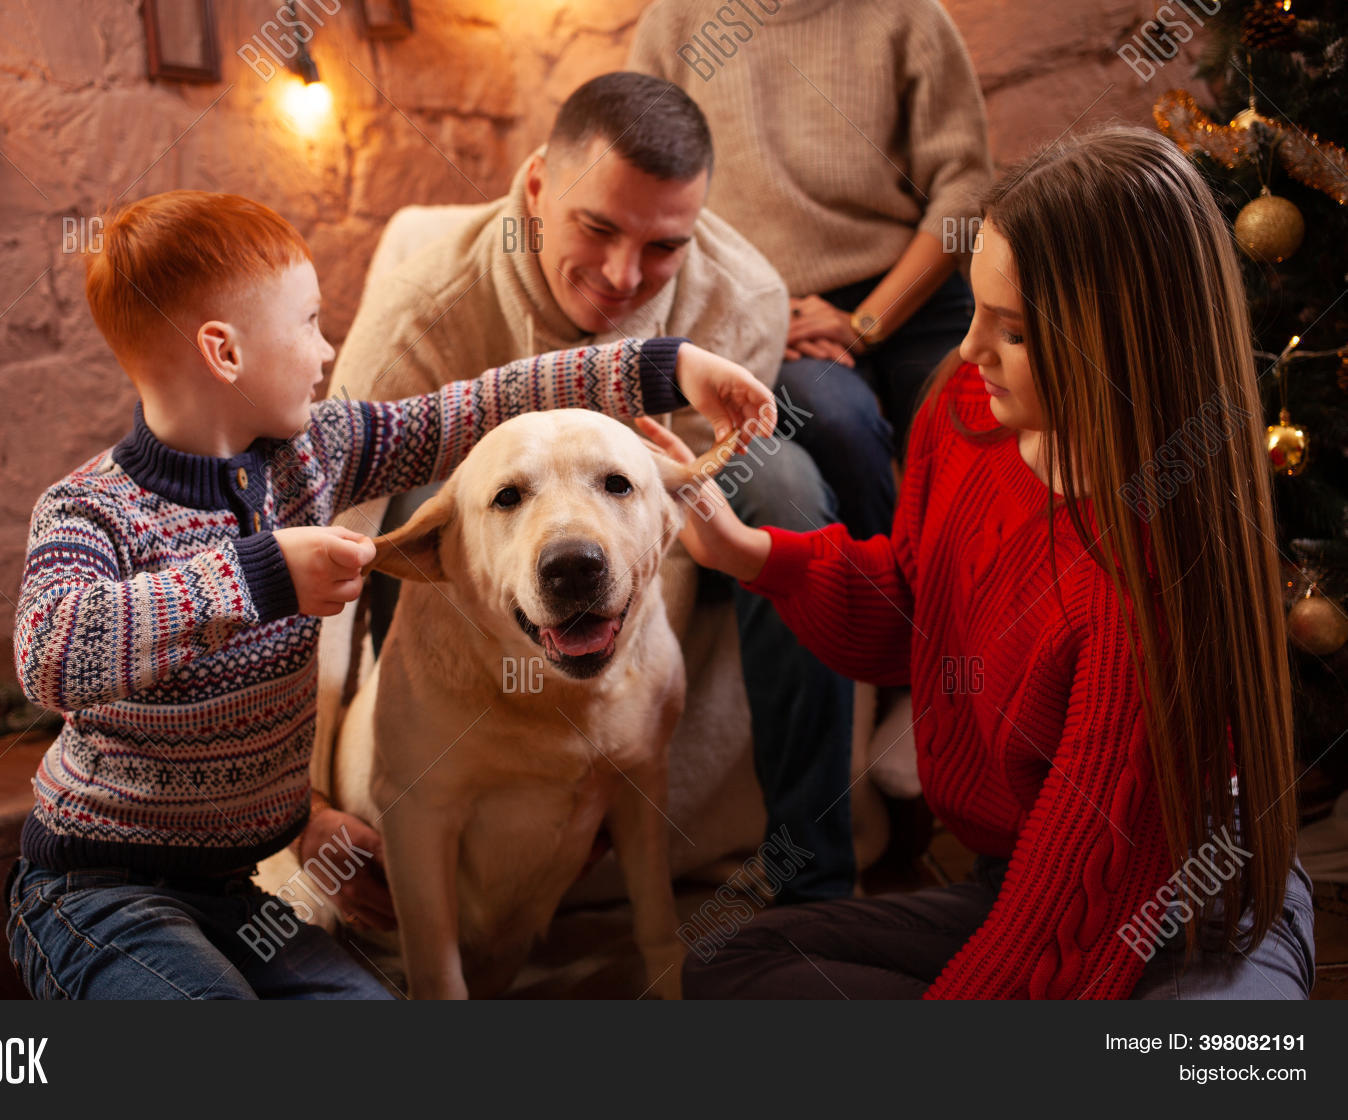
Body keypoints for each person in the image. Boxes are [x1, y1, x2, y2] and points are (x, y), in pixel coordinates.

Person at [3, 189, 775, 999]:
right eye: (306, 323)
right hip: (99, 891)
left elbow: (478, 405)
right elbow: (51, 652)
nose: (328, 348)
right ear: (224, 353)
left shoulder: (319, 451)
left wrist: (666, 368)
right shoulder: (87, 510)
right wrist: (258, 576)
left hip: (237, 893)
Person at [642, 125, 1316, 998]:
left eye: (1016, 332)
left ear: (1121, 345)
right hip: (1024, 878)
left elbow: (1068, 917)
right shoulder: (966, 410)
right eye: (975, 311)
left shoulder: (1150, 582)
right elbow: (924, 614)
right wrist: (749, 553)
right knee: (735, 961)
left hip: (1172, 904)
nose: (968, 351)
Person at [332, 71, 873, 904]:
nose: (624, 275)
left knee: (791, 488)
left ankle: (813, 876)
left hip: (644, 540)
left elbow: (665, 525)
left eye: (665, 246)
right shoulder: (420, 318)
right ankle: (406, 775)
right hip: (475, 544)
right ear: (541, 183)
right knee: (417, 508)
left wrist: (613, 753)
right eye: (597, 228)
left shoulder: (745, 298)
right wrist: (298, 807)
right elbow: (334, 538)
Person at [629, 0, 993, 487]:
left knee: (969, 431)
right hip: (781, 313)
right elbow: (647, 188)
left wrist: (866, 322)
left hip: (917, 289)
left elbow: (964, 189)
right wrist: (755, 315)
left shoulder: (910, 15)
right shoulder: (673, 21)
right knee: (841, 425)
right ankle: (878, 565)